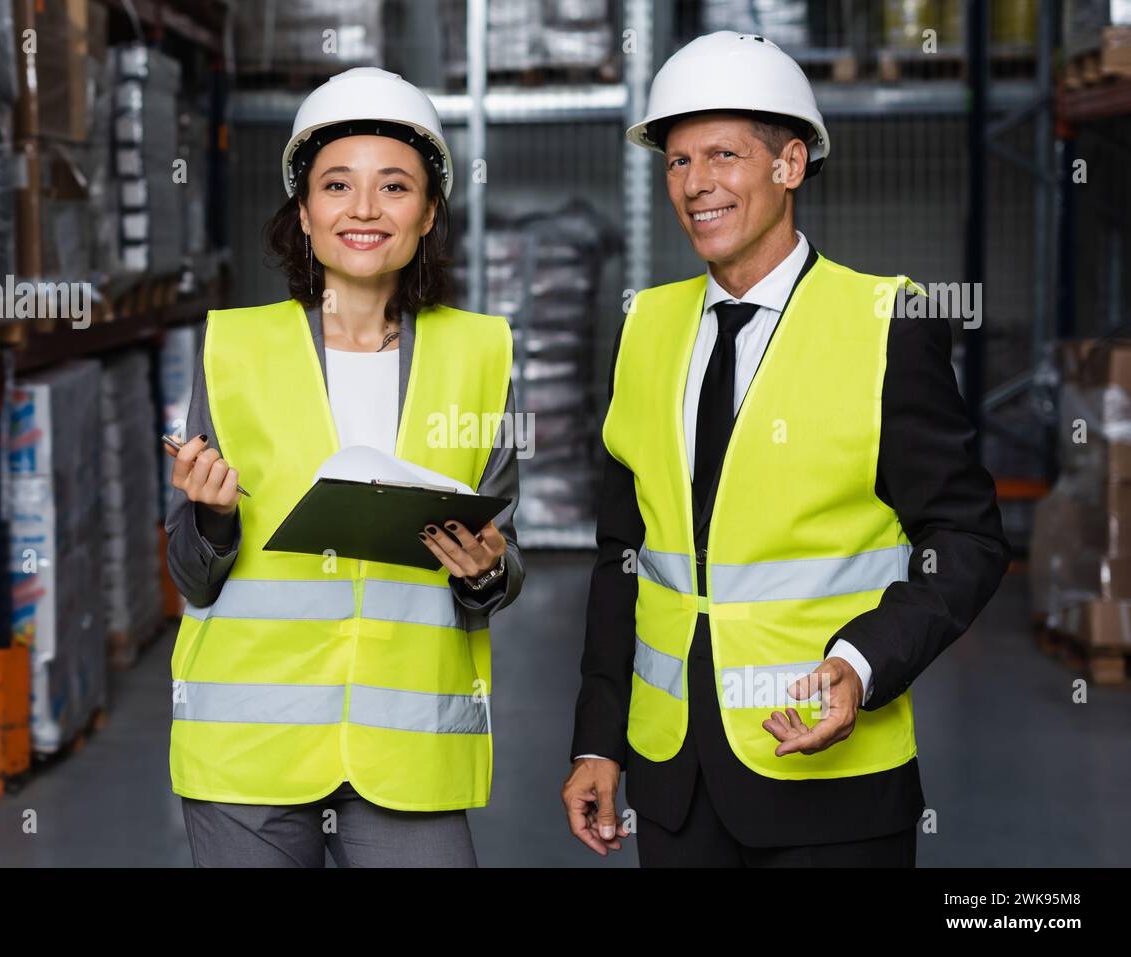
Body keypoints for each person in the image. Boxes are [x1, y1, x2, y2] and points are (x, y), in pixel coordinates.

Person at [562, 32, 1010, 867]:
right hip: (674, 784)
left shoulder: (884, 325)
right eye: (678, 160)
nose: (695, 184)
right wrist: (599, 739)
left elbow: (969, 540)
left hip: (831, 790)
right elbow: (624, 555)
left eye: (724, 155)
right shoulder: (645, 329)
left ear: (790, 165)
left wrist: (863, 661)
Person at [165, 67, 523, 868]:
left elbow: (506, 558)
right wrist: (213, 518)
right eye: (337, 185)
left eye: (394, 186)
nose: (364, 209)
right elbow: (191, 574)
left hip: (409, 752)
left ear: (429, 212)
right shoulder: (235, 350)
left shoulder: (480, 354)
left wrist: (485, 573)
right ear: (305, 211)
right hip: (249, 751)